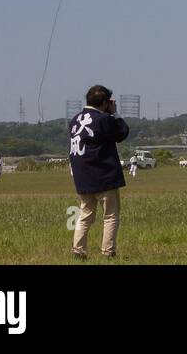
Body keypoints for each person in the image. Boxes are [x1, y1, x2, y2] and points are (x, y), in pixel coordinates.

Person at [69, 84, 130, 258]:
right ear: (104, 102)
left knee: (85, 215)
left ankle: (78, 250)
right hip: (104, 176)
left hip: (83, 177)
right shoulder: (103, 119)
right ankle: (108, 251)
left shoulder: (74, 120)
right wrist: (115, 113)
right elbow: (122, 133)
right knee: (110, 216)